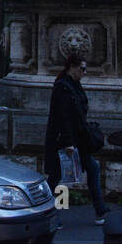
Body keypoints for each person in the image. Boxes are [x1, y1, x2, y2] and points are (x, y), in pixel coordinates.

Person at [44, 53, 107, 225]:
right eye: (82, 69)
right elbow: (62, 117)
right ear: (73, 67)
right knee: (55, 178)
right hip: (67, 141)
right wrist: (68, 143)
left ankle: (100, 210)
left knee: (91, 169)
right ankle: (46, 215)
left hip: (77, 139)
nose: (84, 72)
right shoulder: (63, 87)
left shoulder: (73, 85)